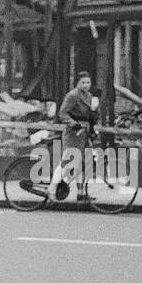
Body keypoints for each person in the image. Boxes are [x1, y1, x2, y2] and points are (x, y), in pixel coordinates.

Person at [50, 72, 97, 201]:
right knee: (67, 162)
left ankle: (81, 193)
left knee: (82, 164)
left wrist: (92, 127)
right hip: (73, 133)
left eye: (88, 82)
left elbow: (89, 115)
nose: (86, 85)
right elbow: (63, 113)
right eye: (83, 82)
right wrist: (73, 123)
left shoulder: (89, 96)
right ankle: (52, 189)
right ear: (77, 82)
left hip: (84, 133)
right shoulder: (72, 95)